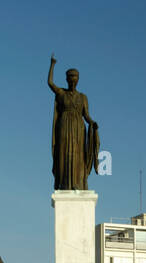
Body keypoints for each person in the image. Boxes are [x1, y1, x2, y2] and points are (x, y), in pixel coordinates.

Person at [47, 55, 99, 191]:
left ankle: (77, 183)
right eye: (70, 79)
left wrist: (92, 123)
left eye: (74, 79)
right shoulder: (61, 94)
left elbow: (86, 115)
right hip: (64, 125)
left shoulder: (83, 97)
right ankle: (64, 183)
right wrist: (52, 65)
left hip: (78, 128)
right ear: (67, 80)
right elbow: (50, 83)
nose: (72, 82)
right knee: (64, 154)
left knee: (77, 156)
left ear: (77, 81)